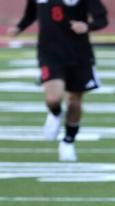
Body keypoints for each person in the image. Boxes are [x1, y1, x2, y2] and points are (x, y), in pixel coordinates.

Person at [8, 0, 107, 162]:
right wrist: (19, 27)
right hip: (50, 54)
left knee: (74, 101)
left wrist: (87, 26)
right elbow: (31, 13)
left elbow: (101, 18)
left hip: (78, 54)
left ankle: (68, 141)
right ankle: (56, 113)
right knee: (53, 98)